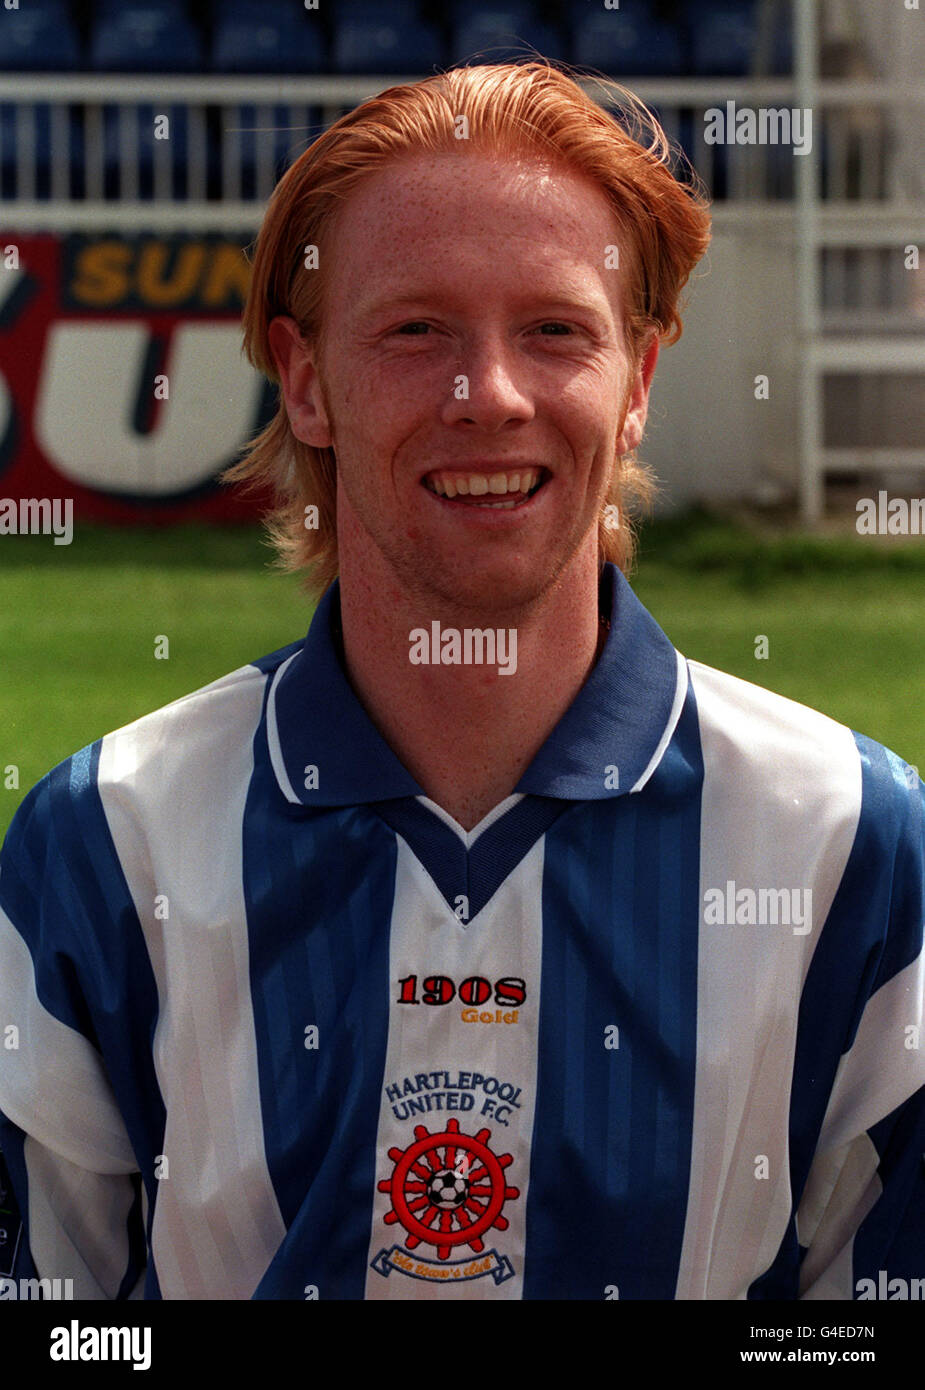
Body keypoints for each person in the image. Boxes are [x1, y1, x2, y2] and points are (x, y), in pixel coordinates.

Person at [0, 60, 922, 1302]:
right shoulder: (108, 841)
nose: (486, 395)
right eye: (414, 330)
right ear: (309, 379)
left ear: (638, 381)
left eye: (554, 330)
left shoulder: (848, 846)